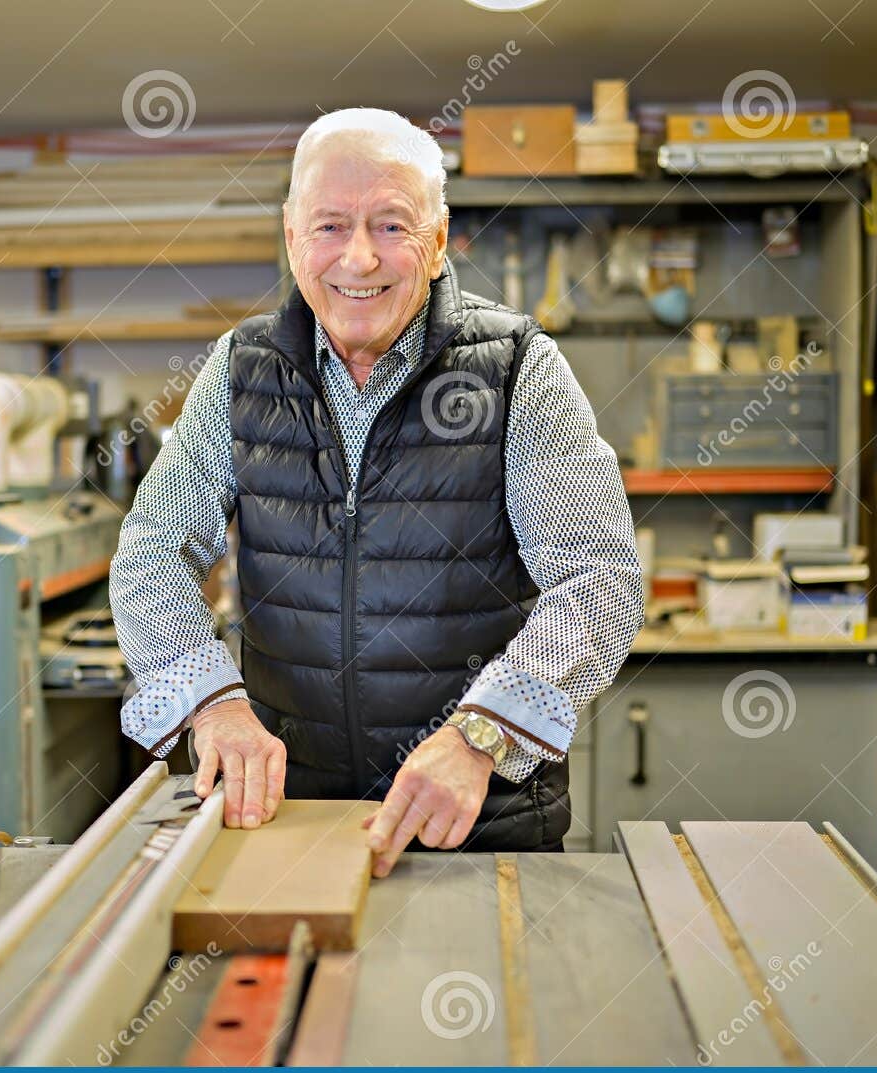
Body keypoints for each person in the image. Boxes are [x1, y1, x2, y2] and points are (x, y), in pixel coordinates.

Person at [109, 107, 643, 877]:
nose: (358, 258)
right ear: (292, 235)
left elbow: (600, 580)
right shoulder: (241, 369)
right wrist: (212, 702)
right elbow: (153, 549)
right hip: (291, 819)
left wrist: (481, 735)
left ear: (437, 240)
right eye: (330, 226)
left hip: (479, 826)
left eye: (391, 226)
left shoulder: (517, 368)